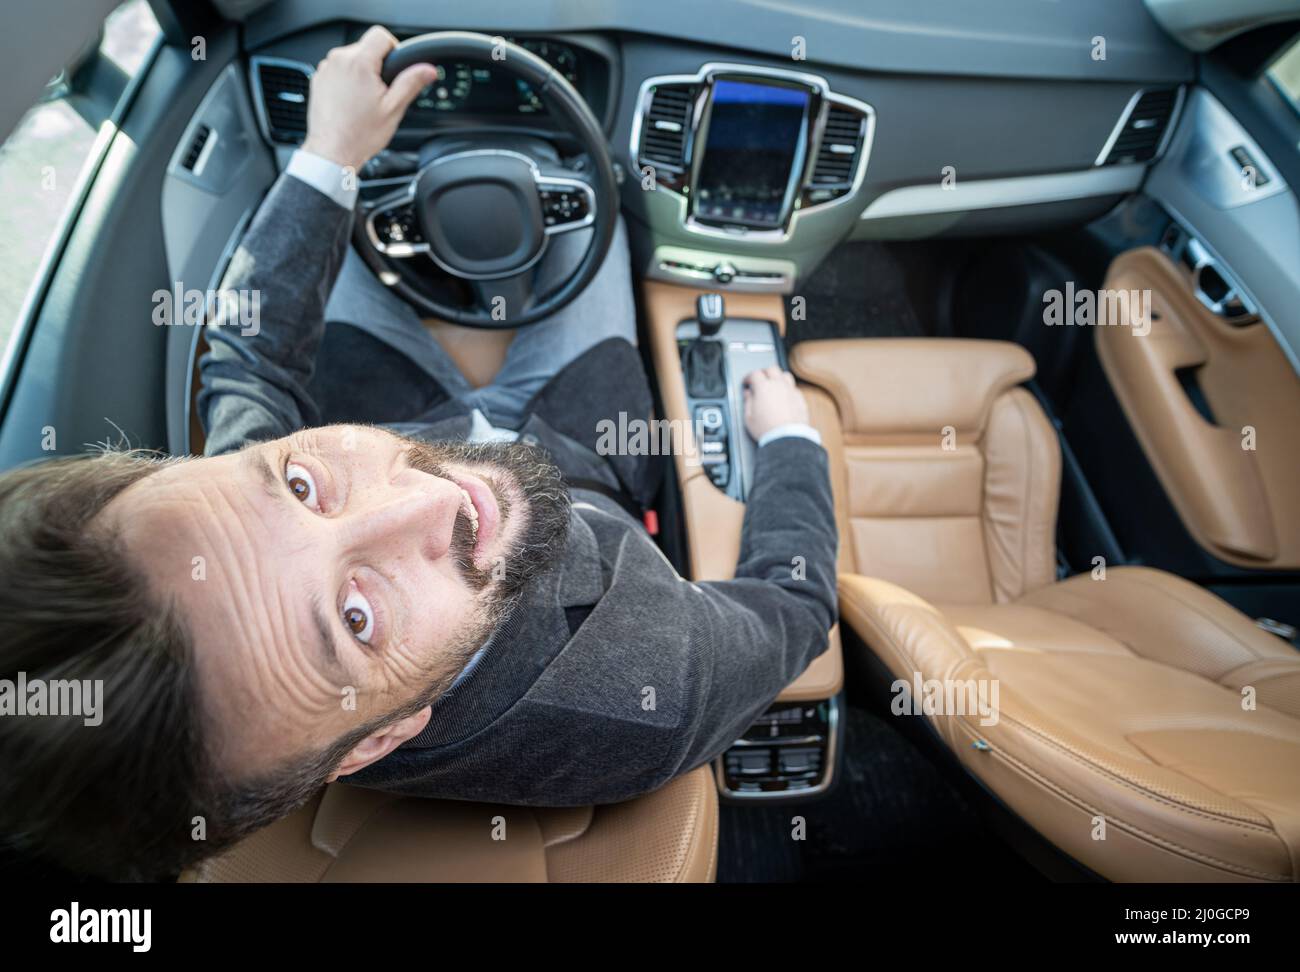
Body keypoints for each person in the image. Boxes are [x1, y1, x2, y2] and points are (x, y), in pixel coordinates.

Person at [0, 26, 837, 880]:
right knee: (608, 224)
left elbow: (246, 361)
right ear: (379, 741)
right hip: (582, 458)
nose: (435, 495)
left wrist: (330, 154)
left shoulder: (234, 574)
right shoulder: (658, 684)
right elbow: (797, 608)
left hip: (402, 397)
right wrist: (790, 437)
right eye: (358, 618)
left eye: (298, 484)